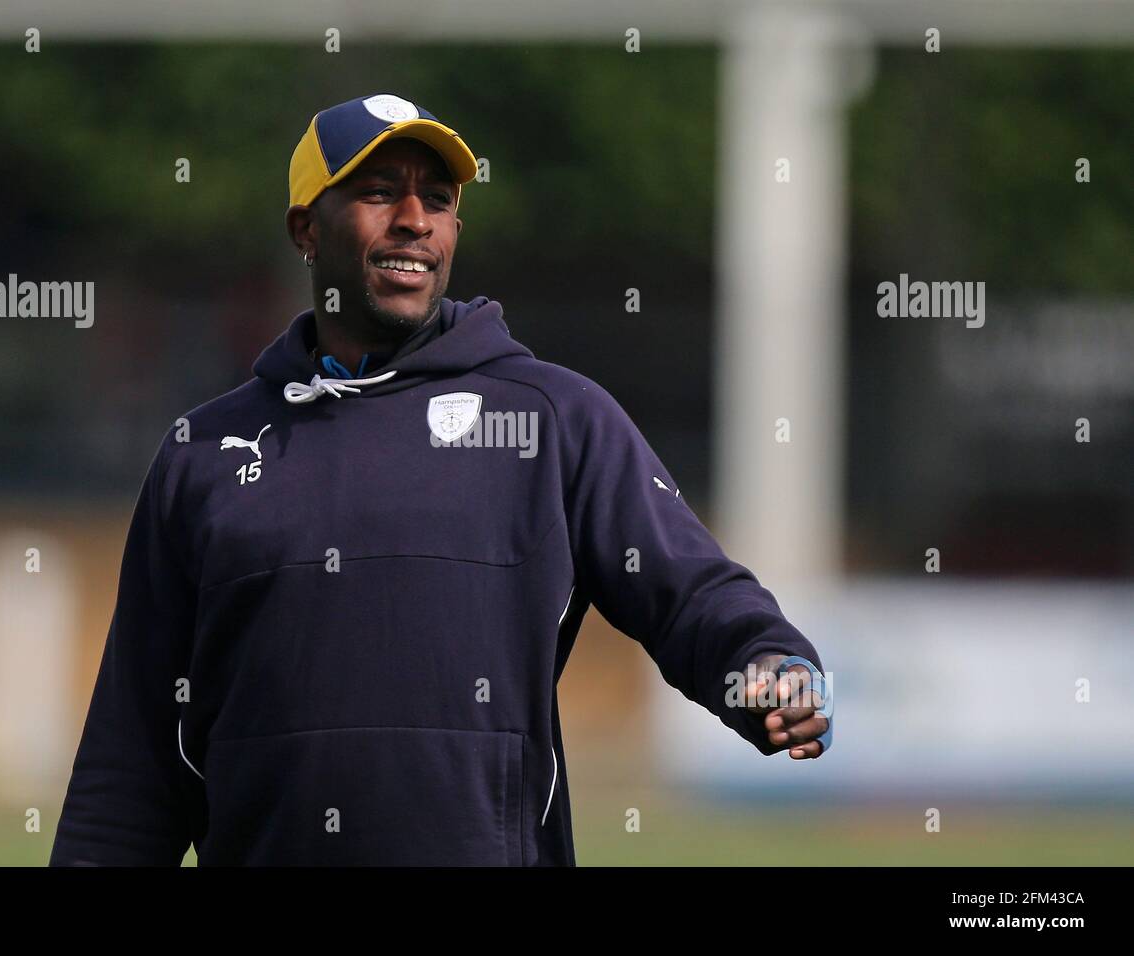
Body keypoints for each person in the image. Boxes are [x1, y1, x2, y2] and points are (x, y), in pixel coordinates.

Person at [50, 92, 832, 867]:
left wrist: (765, 665)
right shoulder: (204, 453)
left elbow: (692, 593)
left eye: (439, 199)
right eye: (379, 192)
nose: (414, 220)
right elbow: (136, 755)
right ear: (305, 231)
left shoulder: (553, 419)